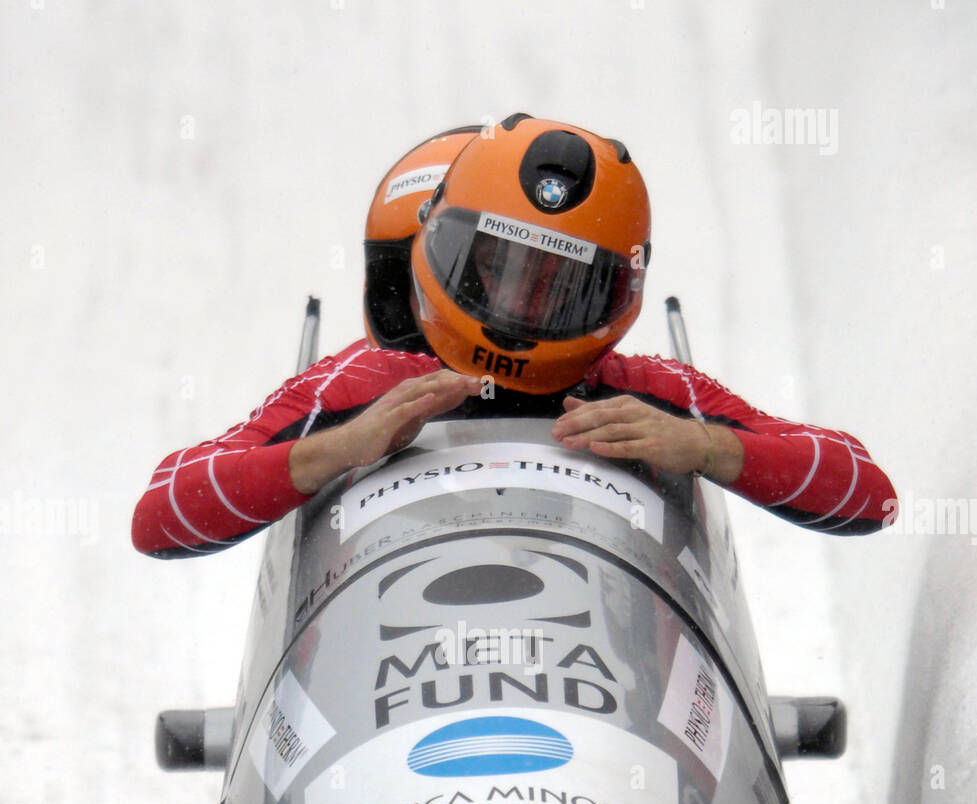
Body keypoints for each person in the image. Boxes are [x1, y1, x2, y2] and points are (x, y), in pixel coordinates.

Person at [132, 115, 897, 558]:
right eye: (496, 271)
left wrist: (710, 450)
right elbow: (159, 514)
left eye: (560, 287)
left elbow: (870, 493)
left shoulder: (652, 397)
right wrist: (336, 448)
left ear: (614, 294)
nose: (523, 306)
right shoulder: (359, 387)